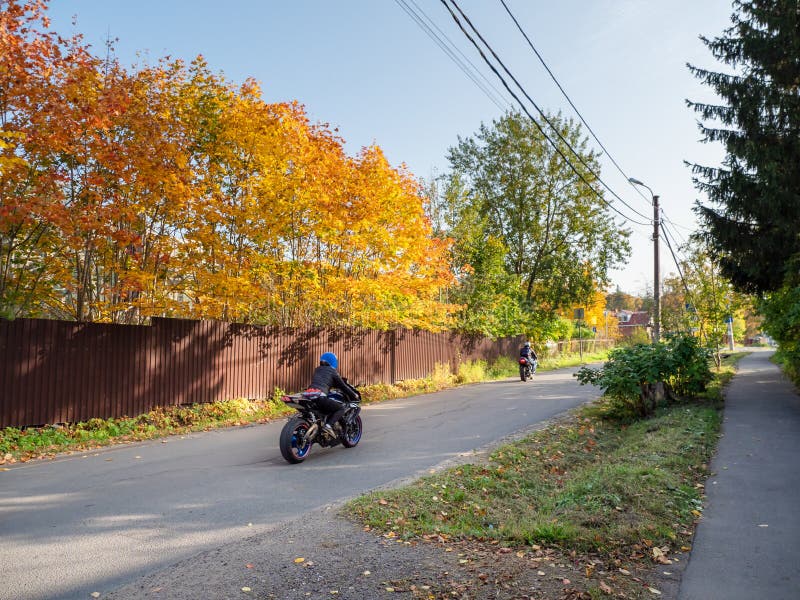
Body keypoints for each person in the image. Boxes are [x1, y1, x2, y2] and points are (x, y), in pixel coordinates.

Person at [305, 351, 358, 437]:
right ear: (333, 361)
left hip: (309, 395)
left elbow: (323, 381)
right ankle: (328, 426)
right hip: (320, 397)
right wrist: (354, 395)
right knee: (340, 408)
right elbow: (343, 386)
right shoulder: (333, 372)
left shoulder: (317, 370)